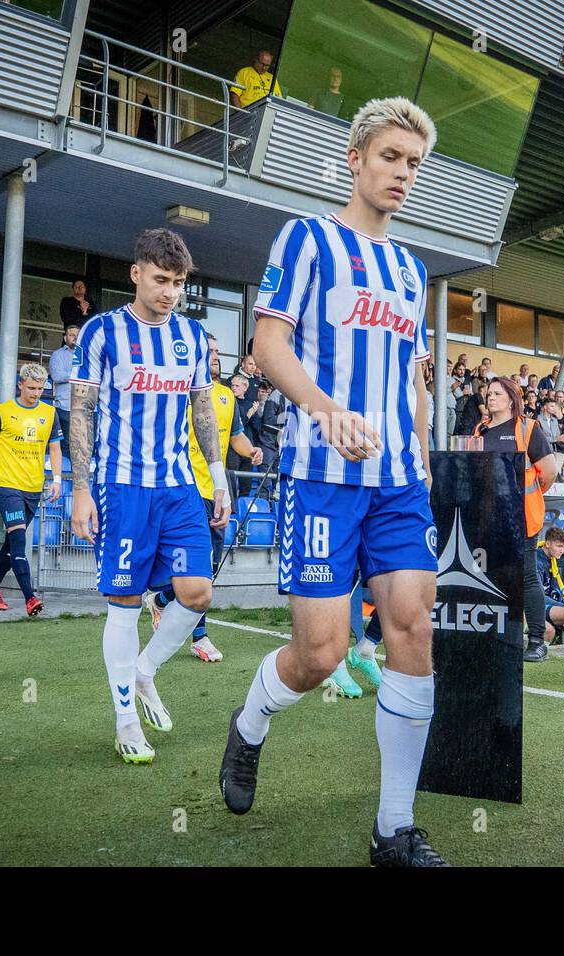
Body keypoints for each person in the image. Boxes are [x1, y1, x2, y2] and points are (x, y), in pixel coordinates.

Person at [219, 98, 446, 867]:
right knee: (320, 655)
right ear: (356, 159)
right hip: (319, 476)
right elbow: (268, 341)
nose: (403, 174)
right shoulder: (308, 239)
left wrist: (420, 447)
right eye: (391, 158)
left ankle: (393, 828)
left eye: (413, 164)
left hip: (397, 483)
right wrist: (324, 409)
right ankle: (250, 723)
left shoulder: (413, 271)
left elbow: (411, 380)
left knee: (413, 625)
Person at [69, 229, 226, 766]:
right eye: (161, 280)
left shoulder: (192, 336)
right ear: (136, 273)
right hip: (122, 485)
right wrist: (81, 488)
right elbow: (83, 412)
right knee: (125, 604)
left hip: (180, 485)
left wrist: (219, 476)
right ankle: (125, 720)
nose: (170, 292)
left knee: (197, 592)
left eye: (179, 283)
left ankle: (145, 670)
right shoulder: (102, 332)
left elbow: (203, 412)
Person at [146, 333, 265, 663]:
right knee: (194, 568)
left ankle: (160, 600)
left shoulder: (227, 396)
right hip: (183, 490)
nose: (215, 356)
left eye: (216, 351)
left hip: (217, 490)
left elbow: (236, 436)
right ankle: (199, 636)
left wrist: (251, 450)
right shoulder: (180, 393)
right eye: (208, 351)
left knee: (207, 571)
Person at [0, 364, 64, 616]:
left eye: (41, 388)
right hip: (8, 486)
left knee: (11, 545)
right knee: (19, 541)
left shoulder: (50, 412)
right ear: (20, 384)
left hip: (34, 487)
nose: (36, 393)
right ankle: (30, 597)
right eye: (32, 388)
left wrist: (56, 479)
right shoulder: (3, 412)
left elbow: (54, 448)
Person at [475, 378, 558, 661]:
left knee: (526, 578)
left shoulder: (528, 428)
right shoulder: (480, 430)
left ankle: (536, 641)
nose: (491, 397)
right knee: (489, 578)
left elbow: (548, 473)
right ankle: (496, 637)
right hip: (488, 518)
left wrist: (524, 496)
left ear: (512, 399)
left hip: (522, 518)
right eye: (488, 393)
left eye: (497, 393)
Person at [48, 324, 79, 460]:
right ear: (65, 337)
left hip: (88, 407)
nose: (75, 338)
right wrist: (80, 373)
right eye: (72, 335)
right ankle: (65, 477)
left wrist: (70, 374)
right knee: (66, 445)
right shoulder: (58, 354)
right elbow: (57, 376)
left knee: (86, 445)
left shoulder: (90, 354)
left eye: (77, 335)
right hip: (66, 406)